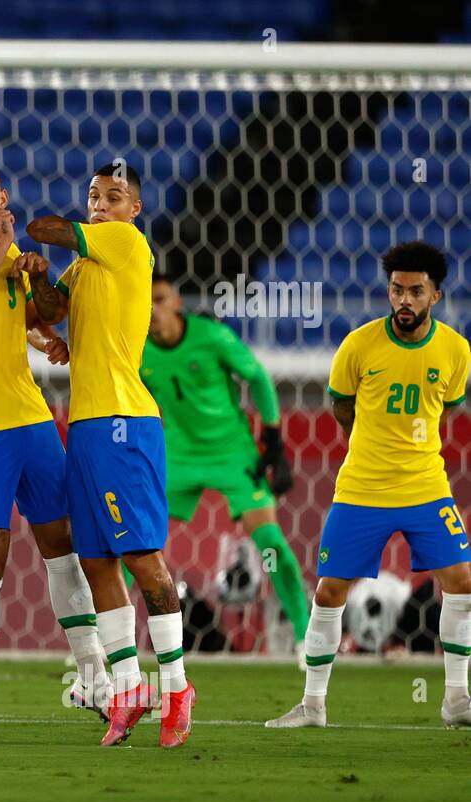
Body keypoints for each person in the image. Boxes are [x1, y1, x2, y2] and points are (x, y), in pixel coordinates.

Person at [0, 160, 108, 741]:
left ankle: (93, 676)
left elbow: (41, 313)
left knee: (63, 545)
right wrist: (7, 248)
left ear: (3, 194)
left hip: (32, 419)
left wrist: (36, 281)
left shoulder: (5, 256)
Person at [267, 242, 471, 729]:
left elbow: (448, 406)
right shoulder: (358, 344)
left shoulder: (455, 350)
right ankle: (312, 705)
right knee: (331, 590)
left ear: (436, 296)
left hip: (427, 488)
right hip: (361, 489)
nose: (404, 299)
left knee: (462, 582)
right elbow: (342, 407)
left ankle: (457, 700)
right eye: (397, 289)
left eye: (415, 291)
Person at [26, 162, 195, 748]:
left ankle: (175, 688)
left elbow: (49, 226)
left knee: (144, 558)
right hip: (89, 426)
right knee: (97, 561)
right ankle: (127, 690)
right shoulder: (85, 266)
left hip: (125, 421)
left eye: (112, 197)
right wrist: (32, 278)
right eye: (94, 196)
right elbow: (44, 310)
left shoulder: (124, 242)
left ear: (134, 210)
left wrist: (11, 229)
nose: (99, 204)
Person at [140, 275, 308, 652]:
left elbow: (258, 378)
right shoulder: (138, 350)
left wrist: (274, 442)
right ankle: (102, 639)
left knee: (269, 544)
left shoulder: (211, 337)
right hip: (179, 456)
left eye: (160, 298)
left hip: (233, 454)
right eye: (145, 300)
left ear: (177, 302)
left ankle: (304, 636)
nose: (152, 307)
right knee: (134, 540)